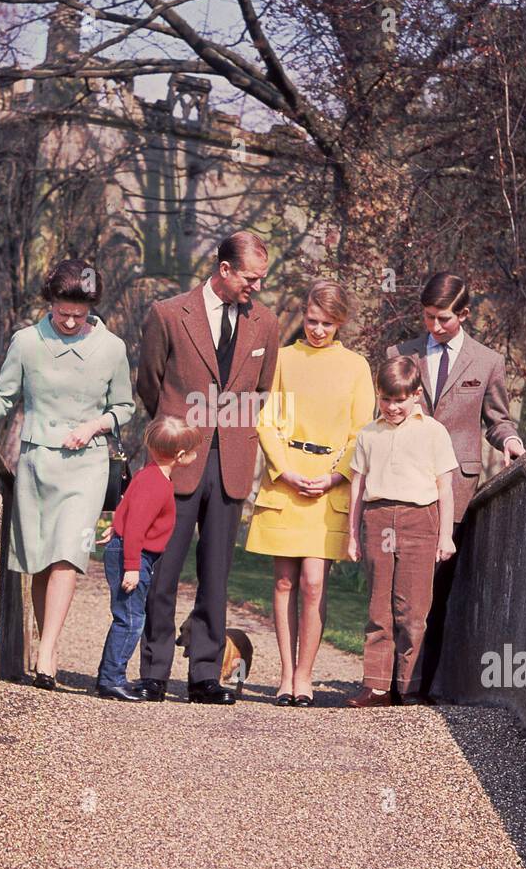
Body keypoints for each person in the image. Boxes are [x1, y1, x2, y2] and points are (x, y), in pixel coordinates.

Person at [0, 259, 134, 691]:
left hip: (88, 467)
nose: (72, 321)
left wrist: (95, 425)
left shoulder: (112, 348)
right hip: (38, 463)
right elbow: (3, 396)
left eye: (80, 315)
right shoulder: (26, 342)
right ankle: (48, 643)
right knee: (38, 560)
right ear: (51, 304)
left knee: (67, 555)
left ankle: (46, 650)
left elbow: (124, 408)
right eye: (64, 313)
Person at [135, 230, 280, 705]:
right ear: (224, 270)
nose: (256, 287)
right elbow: (150, 385)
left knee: (216, 576)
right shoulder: (167, 314)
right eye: (251, 278)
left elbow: (261, 390)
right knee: (163, 570)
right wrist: (178, 433)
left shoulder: (266, 324)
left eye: (261, 278)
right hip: (177, 461)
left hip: (232, 462)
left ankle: (205, 676)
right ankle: (154, 672)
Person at [387, 272, 524, 700]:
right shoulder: (400, 354)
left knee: (437, 590)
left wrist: (512, 441)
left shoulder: (487, 362)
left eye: (443, 318)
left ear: (463, 315)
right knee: (397, 588)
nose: (434, 326)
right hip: (402, 481)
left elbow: (497, 419)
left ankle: (422, 686)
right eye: (428, 317)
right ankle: (388, 683)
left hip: (456, 490)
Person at [246, 280, 375, 705]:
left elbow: (362, 432)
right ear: (304, 315)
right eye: (312, 320)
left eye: (327, 323)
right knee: (284, 581)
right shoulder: (283, 359)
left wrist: (337, 475)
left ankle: (306, 676)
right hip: (287, 479)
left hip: (328, 486)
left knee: (314, 583)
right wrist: (284, 471)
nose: (318, 330)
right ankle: (285, 676)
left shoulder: (356, 367)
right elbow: (266, 420)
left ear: (341, 323)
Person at [346, 357, 458, 708]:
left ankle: (410, 688)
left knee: (412, 609)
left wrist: (445, 536)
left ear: (416, 395)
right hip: (379, 518)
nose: (392, 407)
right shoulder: (368, 433)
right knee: (379, 607)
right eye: (385, 399)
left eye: (399, 400)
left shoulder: (433, 431)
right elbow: (357, 485)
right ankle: (377, 687)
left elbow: (445, 487)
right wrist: (352, 533)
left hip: (419, 520)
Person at [94, 417, 202, 701]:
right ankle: (111, 679)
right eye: (193, 451)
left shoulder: (149, 473)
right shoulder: (156, 483)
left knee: (127, 617)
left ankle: (110, 675)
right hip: (135, 556)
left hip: (131, 551)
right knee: (130, 620)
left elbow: (127, 508)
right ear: (180, 456)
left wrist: (116, 532)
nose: (195, 455)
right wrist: (131, 566)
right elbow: (138, 525)